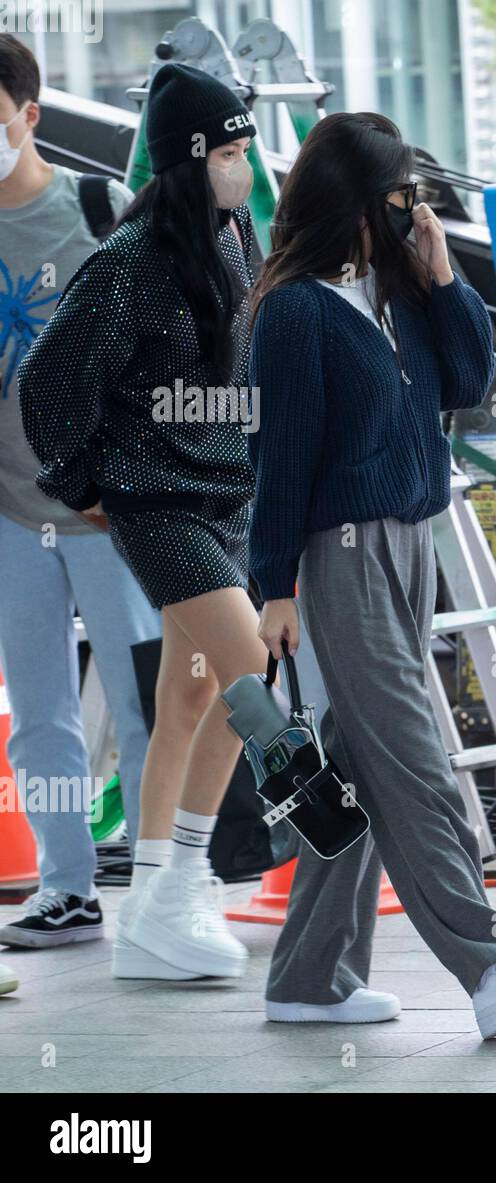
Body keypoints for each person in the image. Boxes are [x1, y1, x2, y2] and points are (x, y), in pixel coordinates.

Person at [246, 112, 496, 1036]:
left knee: (359, 767)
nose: (414, 209)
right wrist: (273, 586)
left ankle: (310, 978)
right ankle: (495, 966)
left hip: (410, 545)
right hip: (342, 555)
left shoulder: (391, 294)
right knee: (420, 764)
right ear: (355, 200)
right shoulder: (294, 310)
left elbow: (470, 384)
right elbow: (280, 459)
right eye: (402, 195)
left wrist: (444, 278)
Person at [18, 62, 268, 981]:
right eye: (232, 151)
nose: (245, 165)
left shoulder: (235, 233)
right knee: (252, 673)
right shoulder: (127, 262)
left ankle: (155, 912)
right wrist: (82, 484)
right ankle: (180, 884)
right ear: (189, 159)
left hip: (223, 495)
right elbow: (48, 385)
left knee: (189, 698)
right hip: (156, 504)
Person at [0, 34, 159, 952]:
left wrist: (125, 476)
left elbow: (156, 346)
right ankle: (66, 886)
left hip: (104, 508)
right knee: (39, 714)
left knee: (141, 703)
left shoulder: (98, 210)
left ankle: (156, 883)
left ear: (31, 114)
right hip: (14, 512)